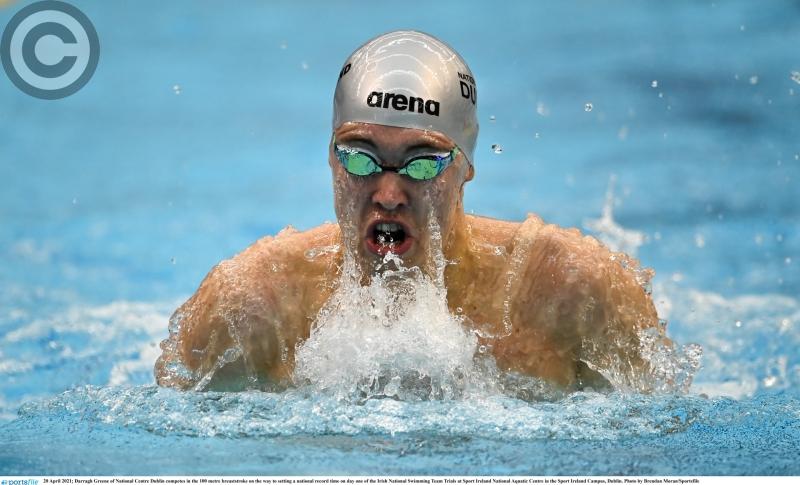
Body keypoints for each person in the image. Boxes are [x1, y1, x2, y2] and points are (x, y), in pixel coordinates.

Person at [154, 30, 679, 393]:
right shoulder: (252, 308)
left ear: (465, 167)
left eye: (422, 163)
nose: (388, 193)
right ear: (330, 158)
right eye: (359, 157)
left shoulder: (571, 293)